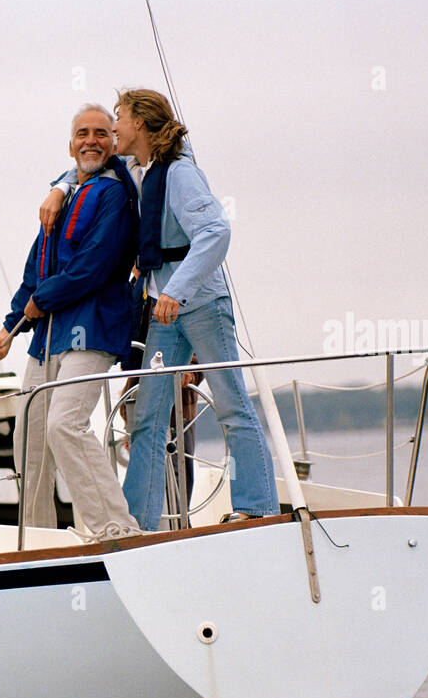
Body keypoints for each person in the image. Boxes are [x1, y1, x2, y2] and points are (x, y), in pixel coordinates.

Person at [38, 89, 278, 530]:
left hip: (201, 303)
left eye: (120, 119)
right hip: (163, 309)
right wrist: (59, 187)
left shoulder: (182, 174)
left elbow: (215, 232)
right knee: (148, 416)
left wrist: (177, 291)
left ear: (140, 126)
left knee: (231, 403)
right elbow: (85, 168)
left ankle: (258, 505)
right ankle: (141, 523)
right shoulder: (134, 168)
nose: (113, 129)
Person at [0, 103, 141, 541]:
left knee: (64, 424)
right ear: (70, 146)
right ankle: (38, 540)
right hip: (47, 337)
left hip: (92, 329)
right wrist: (10, 327)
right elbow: (36, 266)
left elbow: (92, 267)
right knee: (30, 437)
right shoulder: (66, 192)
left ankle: (116, 527)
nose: (91, 140)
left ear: (113, 142)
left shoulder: (115, 195)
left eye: (100, 133)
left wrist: (40, 303)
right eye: (82, 133)